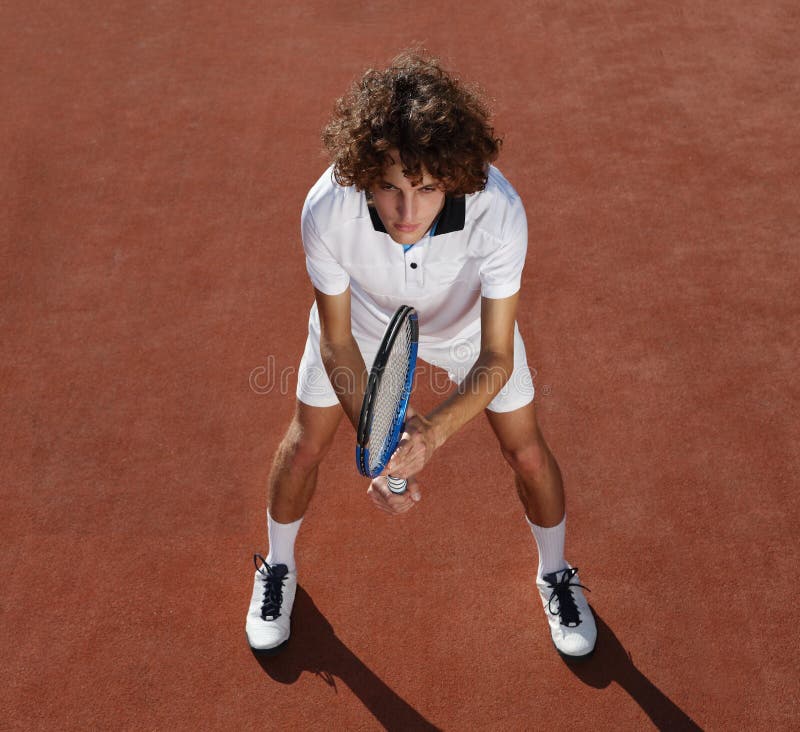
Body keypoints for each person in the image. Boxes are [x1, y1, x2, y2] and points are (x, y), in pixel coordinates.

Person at [246, 50, 597, 661]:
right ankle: (277, 566)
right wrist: (380, 442)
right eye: (390, 188)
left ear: (453, 180)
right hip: (361, 323)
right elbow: (335, 340)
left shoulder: (499, 212)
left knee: (527, 452)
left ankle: (555, 573)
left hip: (467, 330)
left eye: (428, 189)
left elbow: (497, 353)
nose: (407, 213)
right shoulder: (327, 207)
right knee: (304, 444)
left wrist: (428, 434)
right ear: (365, 176)